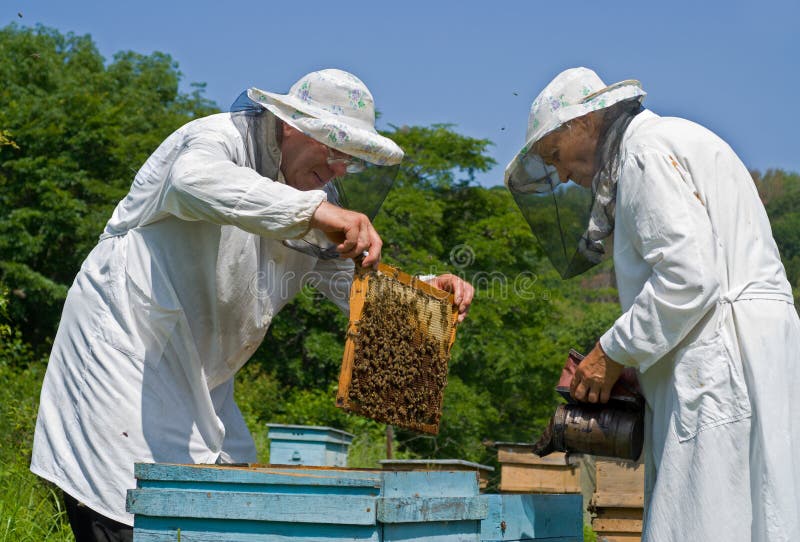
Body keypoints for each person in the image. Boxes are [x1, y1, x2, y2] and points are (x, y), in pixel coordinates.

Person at [31, 68, 474, 540]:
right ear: (291, 124)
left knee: (229, 514)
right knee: (127, 516)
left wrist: (425, 297)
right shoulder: (215, 138)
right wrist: (314, 211)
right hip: (125, 354)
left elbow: (350, 283)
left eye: (352, 158)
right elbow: (193, 182)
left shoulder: (315, 197)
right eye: (334, 149)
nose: (341, 168)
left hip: (204, 375)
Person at [505, 67, 800, 541]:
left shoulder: (643, 153)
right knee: (760, 516)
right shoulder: (671, 140)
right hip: (747, 351)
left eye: (556, 155)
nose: (560, 174)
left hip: (720, 362)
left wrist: (612, 351)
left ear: (585, 123)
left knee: (703, 523)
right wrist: (638, 360)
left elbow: (688, 279)